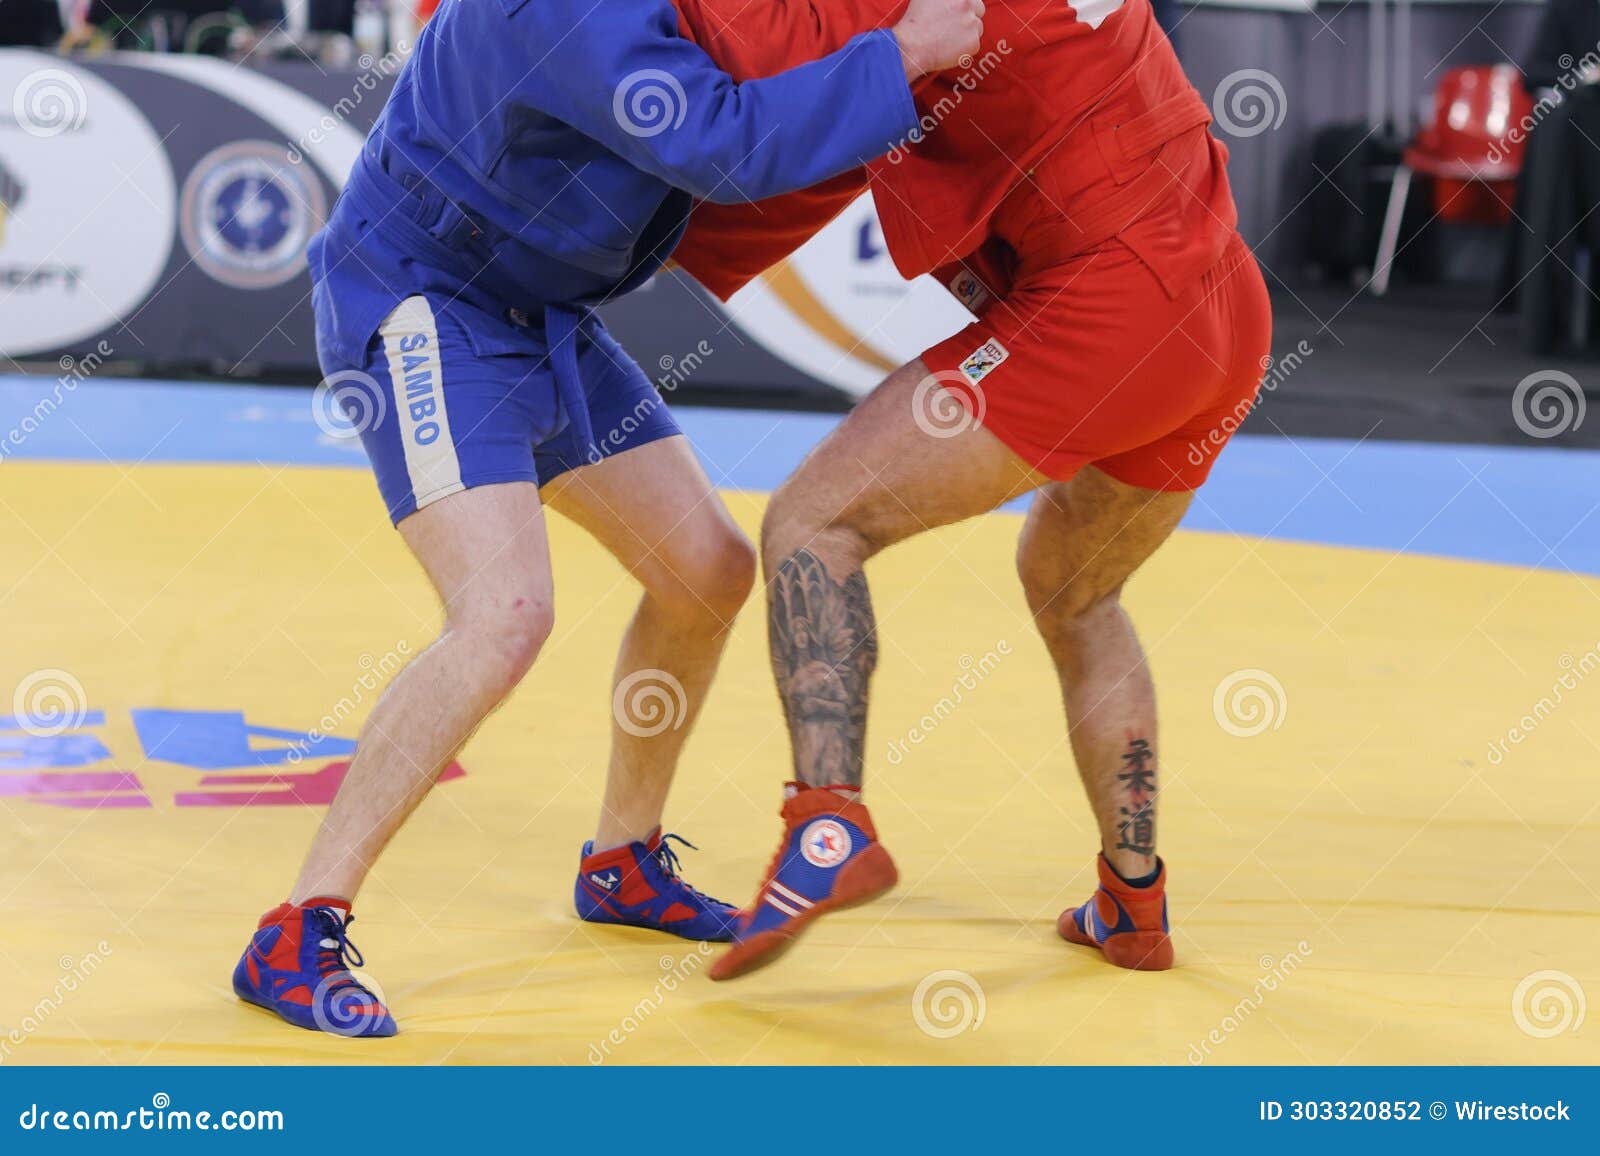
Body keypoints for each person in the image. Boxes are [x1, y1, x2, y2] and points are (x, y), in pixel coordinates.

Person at [231, 0, 983, 1036]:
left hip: (540, 314)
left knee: (706, 572)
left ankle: (622, 862)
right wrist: (899, 57)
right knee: (502, 614)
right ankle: (297, 925)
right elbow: (721, 143)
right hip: (425, 301)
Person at [665, 0, 1273, 980]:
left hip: (1113, 302)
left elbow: (739, 60)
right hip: (1222, 306)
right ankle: (1133, 899)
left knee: (812, 523)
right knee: (1077, 591)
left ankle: (827, 827)